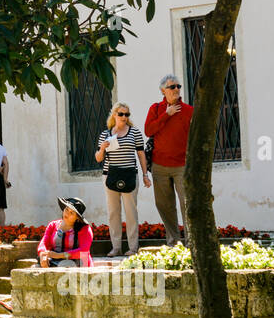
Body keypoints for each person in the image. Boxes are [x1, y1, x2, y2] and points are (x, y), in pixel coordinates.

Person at [95, 102, 150, 257]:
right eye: (121, 114)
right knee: (113, 213)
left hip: (129, 175)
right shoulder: (105, 135)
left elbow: (141, 154)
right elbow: (98, 158)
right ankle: (116, 247)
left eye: (127, 114)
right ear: (114, 115)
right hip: (110, 176)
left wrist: (145, 175)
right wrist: (102, 148)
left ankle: (133, 248)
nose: (124, 117)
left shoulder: (134, 132)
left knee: (131, 212)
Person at [145, 74, 194, 247]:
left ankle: (191, 242)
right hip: (160, 166)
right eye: (172, 87)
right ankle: (173, 242)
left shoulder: (188, 110)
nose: (176, 89)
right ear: (162, 91)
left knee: (187, 205)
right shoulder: (156, 109)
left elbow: (195, 137)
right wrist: (166, 115)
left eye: (178, 86)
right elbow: (148, 130)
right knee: (165, 206)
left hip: (182, 166)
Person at [37, 197, 94, 267]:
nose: (67, 213)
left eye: (71, 213)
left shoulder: (85, 229)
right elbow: (44, 243)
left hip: (79, 264)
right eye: (66, 209)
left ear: (77, 218)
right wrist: (43, 254)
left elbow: (84, 251)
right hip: (55, 260)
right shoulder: (53, 225)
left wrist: (59, 255)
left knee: (64, 265)